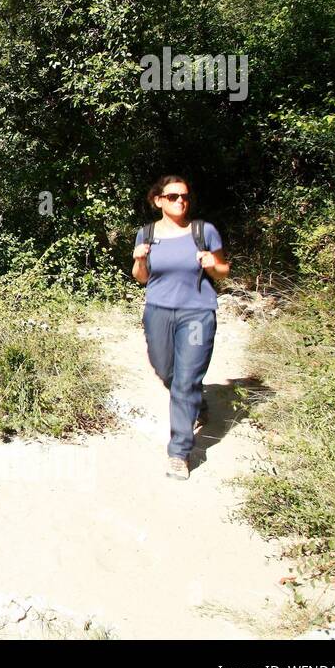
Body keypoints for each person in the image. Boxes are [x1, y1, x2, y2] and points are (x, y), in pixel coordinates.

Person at [131, 175, 230, 480]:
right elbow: (141, 278)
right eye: (172, 196)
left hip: (197, 312)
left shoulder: (203, 231)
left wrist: (210, 264)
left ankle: (179, 451)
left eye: (184, 196)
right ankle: (196, 402)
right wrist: (139, 260)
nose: (180, 201)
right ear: (158, 200)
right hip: (158, 311)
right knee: (165, 370)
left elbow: (223, 271)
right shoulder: (146, 234)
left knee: (186, 378)